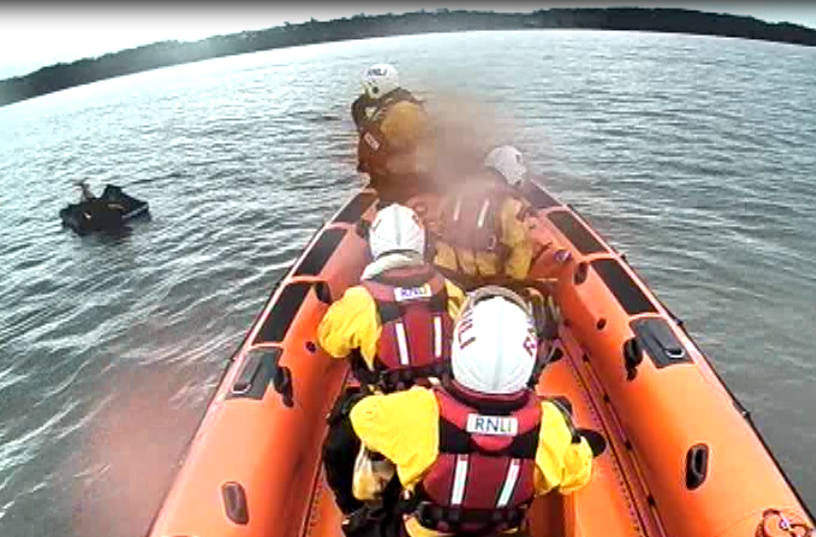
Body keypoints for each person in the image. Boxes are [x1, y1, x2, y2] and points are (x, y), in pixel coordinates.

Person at [346, 286, 594, 537]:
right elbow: (576, 475)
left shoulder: (415, 410)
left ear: (459, 347)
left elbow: (361, 416)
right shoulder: (551, 424)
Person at [318, 203, 466, 516]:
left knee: (337, 450)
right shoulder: (449, 290)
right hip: (442, 408)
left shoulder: (360, 300)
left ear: (376, 246)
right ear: (420, 244)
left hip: (384, 409)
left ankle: (354, 514)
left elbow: (331, 343)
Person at [432, 145, 536, 288]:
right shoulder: (513, 208)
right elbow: (519, 259)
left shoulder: (453, 197)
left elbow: (440, 237)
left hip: (451, 281)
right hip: (492, 285)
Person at [351, 64, 433, 202]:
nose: (365, 92)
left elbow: (390, 151)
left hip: (404, 184)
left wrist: (362, 121)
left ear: (376, 87)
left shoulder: (402, 111)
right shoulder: (394, 105)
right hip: (397, 179)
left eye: (368, 87)